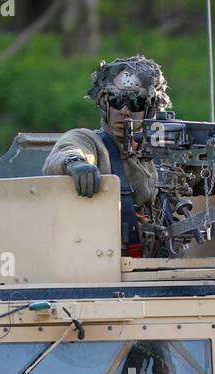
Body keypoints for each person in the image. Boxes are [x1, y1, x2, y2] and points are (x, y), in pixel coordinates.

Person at [43, 55, 183, 258]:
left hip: (161, 267)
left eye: (135, 104)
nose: (124, 112)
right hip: (105, 265)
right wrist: (76, 164)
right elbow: (67, 150)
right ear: (103, 105)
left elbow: (204, 177)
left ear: (150, 109)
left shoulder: (163, 152)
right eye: (116, 102)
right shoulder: (91, 142)